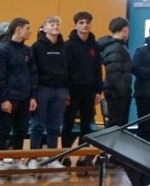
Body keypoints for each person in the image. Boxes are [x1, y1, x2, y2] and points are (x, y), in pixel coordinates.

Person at [0, 18, 37, 167]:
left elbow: (32, 74)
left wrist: (33, 96)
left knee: (21, 130)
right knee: (4, 130)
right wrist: (4, 99)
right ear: (18, 30)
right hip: (10, 98)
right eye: (27, 28)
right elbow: (1, 77)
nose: (30, 31)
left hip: (25, 97)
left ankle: (17, 159)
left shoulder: (27, 50)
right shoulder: (3, 50)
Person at [30, 16, 70, 164]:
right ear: (44, 28)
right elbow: (33, 71)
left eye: (58, 24)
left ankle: (51, 157)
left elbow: (68, 69)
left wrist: (67, 91)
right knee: (38, 125)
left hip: (60, 90)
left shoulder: (64, 47)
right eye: (52, 24)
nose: (55, 27)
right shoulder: (36, 47)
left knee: (54, 126)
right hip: (42, 89)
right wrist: (33, 94)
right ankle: (33, 158)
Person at [62, 11, 103, 152]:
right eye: (81, 23)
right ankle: (64, 154)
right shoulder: (67, 45)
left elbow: (98, 68)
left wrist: (99, 90)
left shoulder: (95, 46)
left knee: (87, 124)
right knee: (68, 123)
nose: (85, 25)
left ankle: (83, 154)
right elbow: (65, 70)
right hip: (72, 90)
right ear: (75, 25)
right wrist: (65, 90)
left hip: (90, 90)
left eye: (87, 22)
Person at [98, 17, 134, 129]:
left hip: (117, 92)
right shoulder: (116, 48)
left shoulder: (116, 46)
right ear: (125, 30)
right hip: (116, 93)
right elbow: (113, 71)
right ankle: (111, 147)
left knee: (119, 125)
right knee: (116, 126)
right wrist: (123, 91)